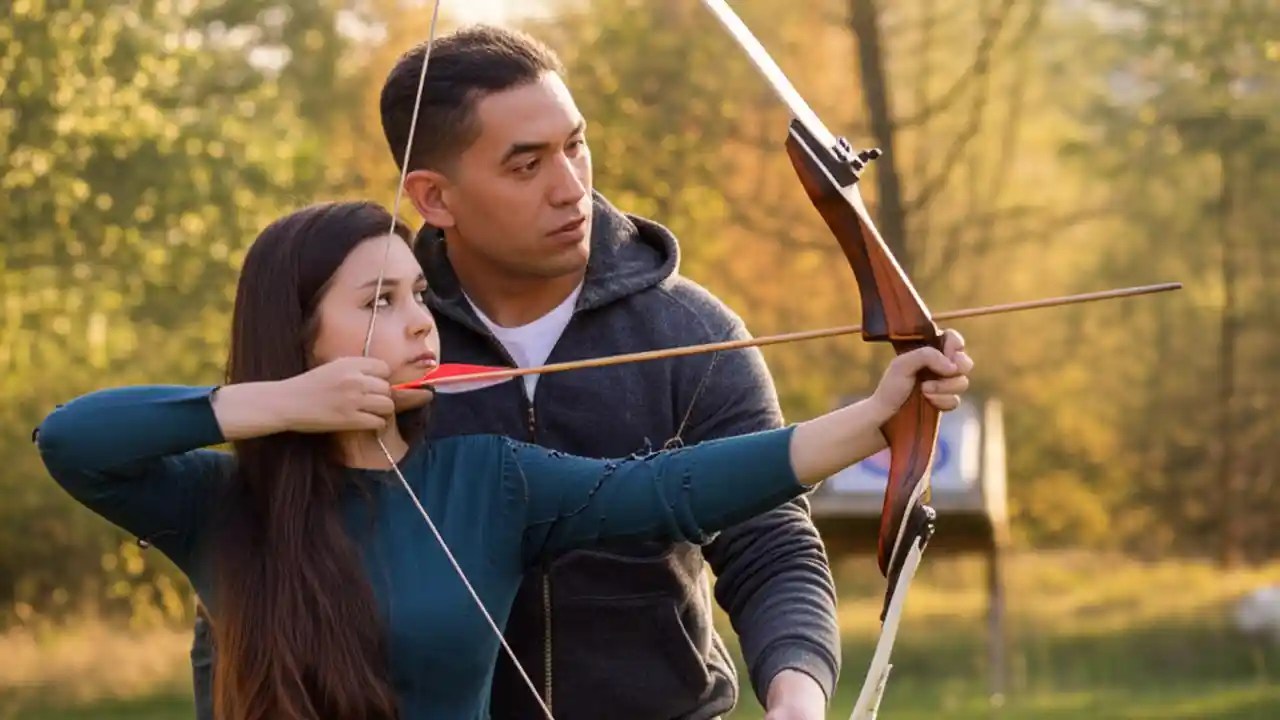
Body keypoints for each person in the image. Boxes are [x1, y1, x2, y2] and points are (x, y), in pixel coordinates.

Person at [36, 200, 973, 720]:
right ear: (299, 332)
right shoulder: (219, 501)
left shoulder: (490, 479)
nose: (414, 324)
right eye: (377, 303)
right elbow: (72, 440)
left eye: (415, 296)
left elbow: (671, 487)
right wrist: (278, 404)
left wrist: (874, 419)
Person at [381, 24, 846, 720]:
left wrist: (796, 700)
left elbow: (771, 544)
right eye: (526, 165)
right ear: (435, 198)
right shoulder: (375, 344)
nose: (571, 188)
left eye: (575, 145)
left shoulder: (690, 333)